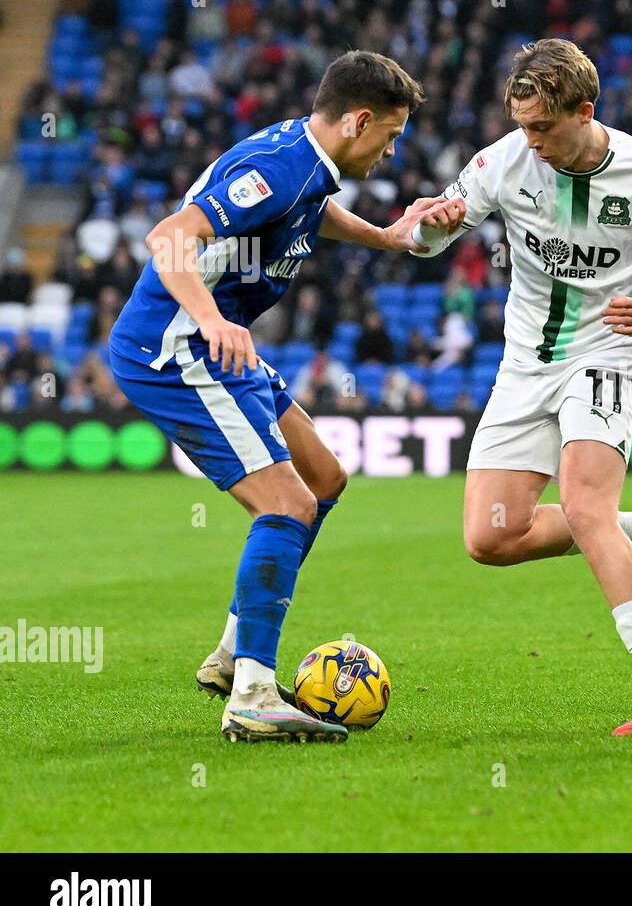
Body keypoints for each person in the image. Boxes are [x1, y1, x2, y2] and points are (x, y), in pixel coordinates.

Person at [109, 50, 442, 742]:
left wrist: (384, 237)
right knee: (287, 502)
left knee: (323, 476)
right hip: (176, 350)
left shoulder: (305, 168)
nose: (392, 148)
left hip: (220, 348)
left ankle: (234, 656)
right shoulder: (282, 167)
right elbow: (168, 236)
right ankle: (256, 693)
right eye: (392, 133)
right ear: (358, 120)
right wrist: (209, 318)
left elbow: (308, 214)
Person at [412, 39, 632, 736]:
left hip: (606, 355)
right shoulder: (502, 162)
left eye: (543, 127)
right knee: (490, 537)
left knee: (585, 508)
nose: (532, 141)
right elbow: (427, 239)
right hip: (524, 364)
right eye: (522, 125)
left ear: (585, 111)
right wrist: (430, 230)